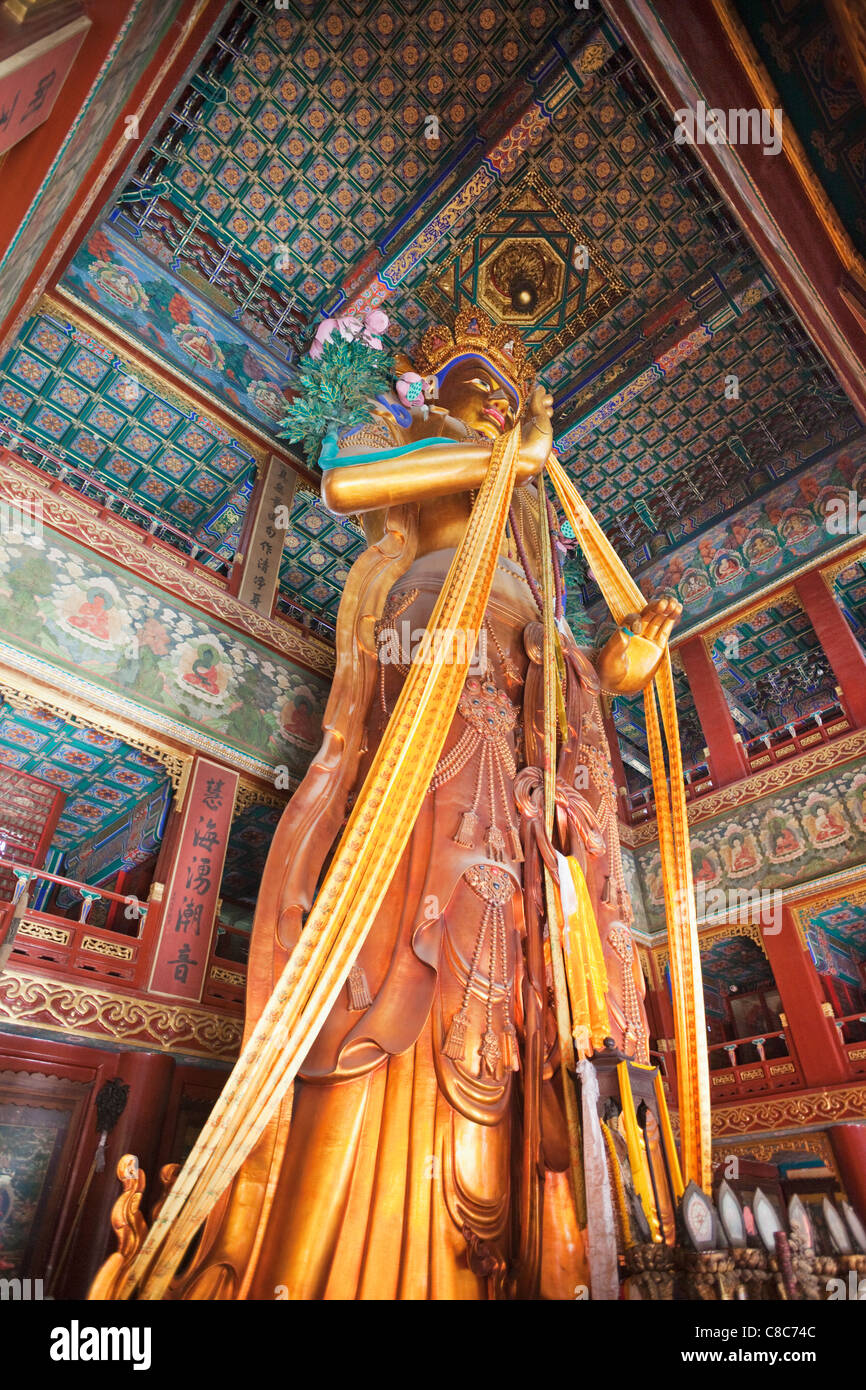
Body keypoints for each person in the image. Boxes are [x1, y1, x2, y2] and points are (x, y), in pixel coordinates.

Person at [176, 310, 681, 1301]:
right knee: (420, 892)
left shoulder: (533, 504)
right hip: (435, 647)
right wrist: (495, 460)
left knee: (540, 937)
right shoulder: (429, 445)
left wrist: (624, 664)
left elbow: (563, 626)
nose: (491, 394)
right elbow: (342, 483)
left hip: (535, 694)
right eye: (469, 378)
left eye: (503, 383)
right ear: (427, 392)